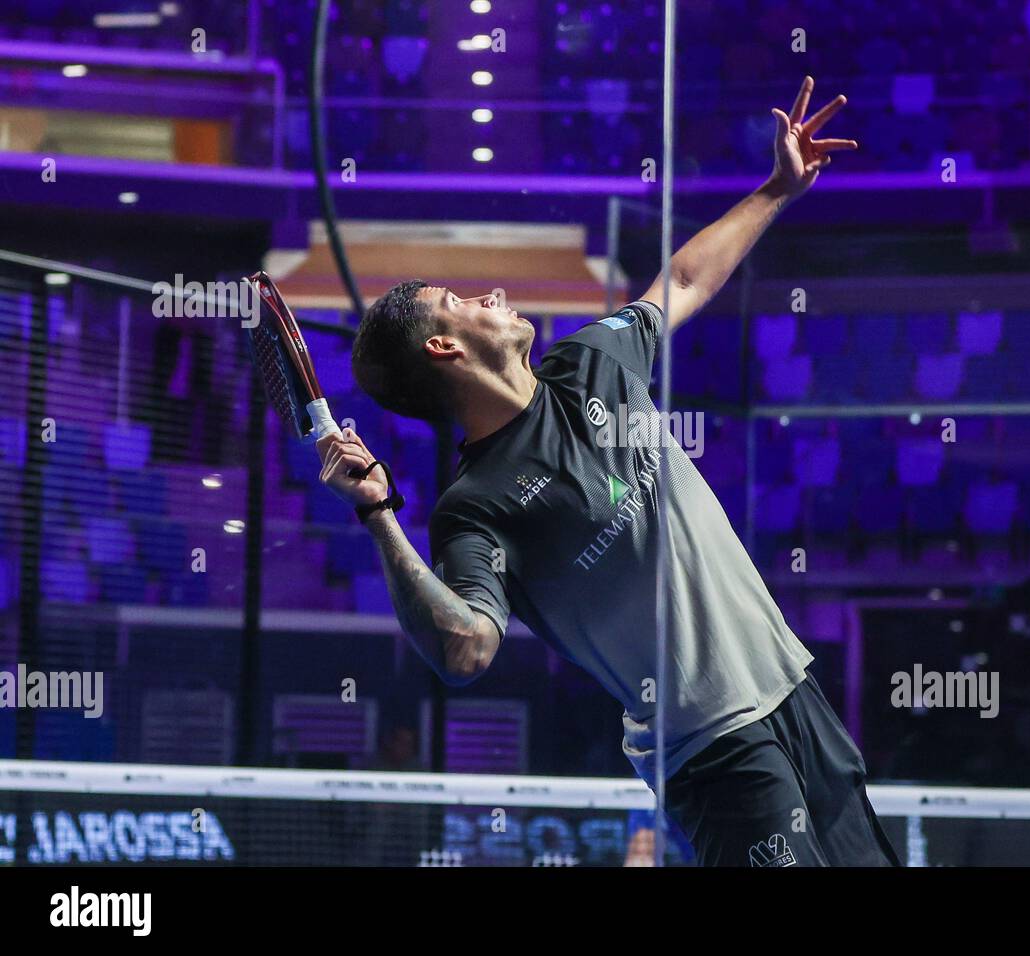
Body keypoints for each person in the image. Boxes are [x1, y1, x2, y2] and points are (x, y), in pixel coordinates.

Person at [318, 77, 897, 867]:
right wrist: (378, 513)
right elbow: (465, 649)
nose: (492, 293)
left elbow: (684, 282)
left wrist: (776, 189)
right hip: (713, 752)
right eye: (460, 299)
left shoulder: (593, 363)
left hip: (795, 696)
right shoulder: (473, 510)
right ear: (443, 349)